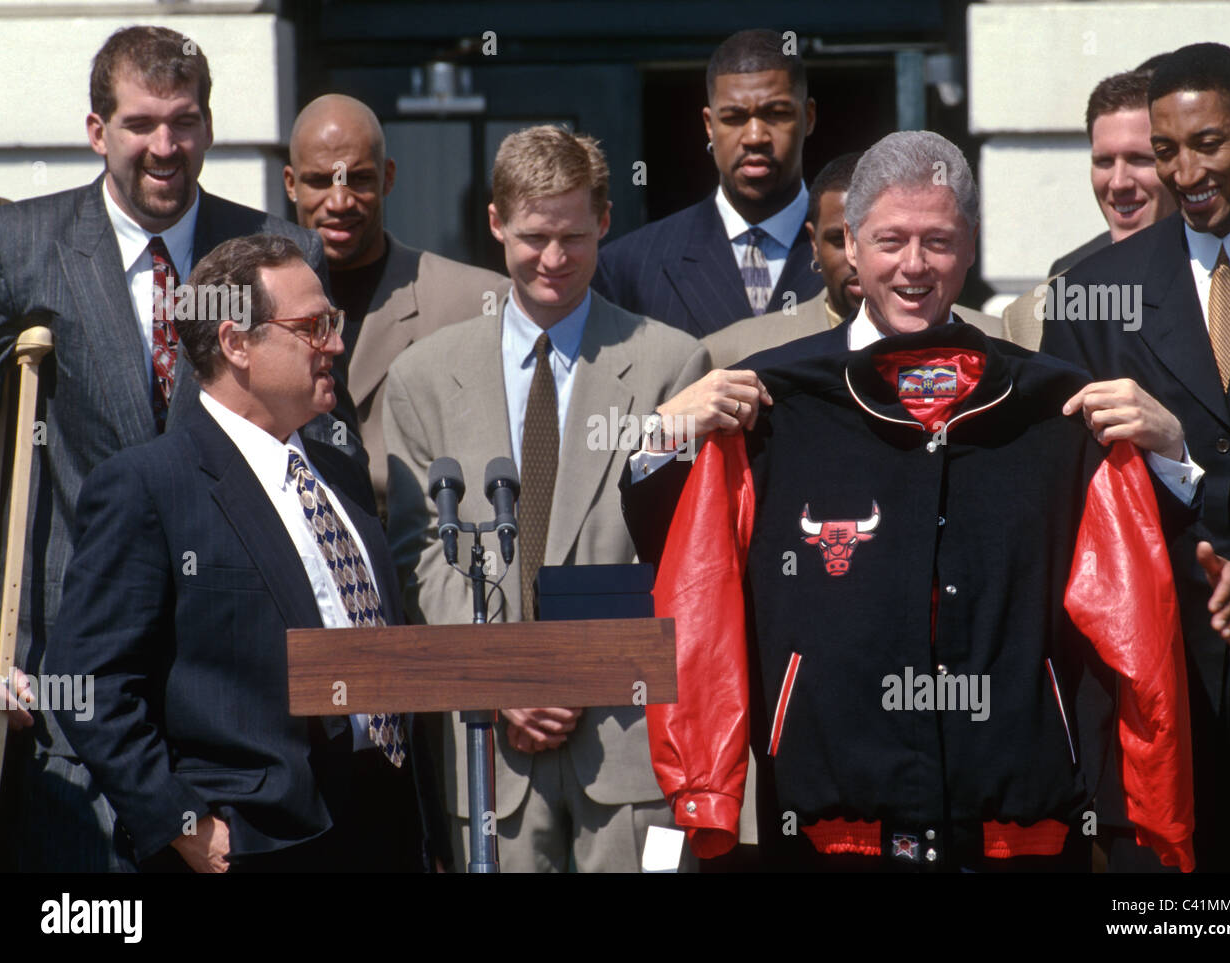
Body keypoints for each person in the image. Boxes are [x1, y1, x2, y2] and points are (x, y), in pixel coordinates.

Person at [646, 130, 1200, 872]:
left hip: (1020, 833)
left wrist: (1174, 457)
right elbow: (693, 598)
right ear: (848, 243)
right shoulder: (764, 405)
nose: (914, 265)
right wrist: (705, 795)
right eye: (891, 240)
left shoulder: (1057, 410)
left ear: (970, 245)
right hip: (823, 831)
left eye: (937, 241)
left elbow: (1144, 617)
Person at [0, 25, 340, 872]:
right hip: (66, 692)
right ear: (96, 130)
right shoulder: (18, 248)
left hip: (230, 700)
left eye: (184, 121)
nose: (165, 145)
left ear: (210, 128)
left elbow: (325, 456)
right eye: (142, 122)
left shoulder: (274, 252)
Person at [47, 234, 443, 872]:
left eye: (334, 324)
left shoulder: (340, 467)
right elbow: (88, 681)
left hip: (383, 826)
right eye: (315, 327)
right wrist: (185, 824)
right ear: (236, 343)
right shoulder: (151, 485)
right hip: (254, 840)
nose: (336, 346)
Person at [384, 124, 708, 872]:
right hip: (490, 751)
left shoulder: (670, 363)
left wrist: (576, 676)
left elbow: (682, 561)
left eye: (573, 236)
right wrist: (502, 679)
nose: (554, 260)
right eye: (533, 237)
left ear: (604, 221)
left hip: (629, 744)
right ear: (495, 223)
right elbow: (420, 554)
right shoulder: (423, 377)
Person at [1041, 43, 1230, 872]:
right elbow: (1067, 509)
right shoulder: (1088, 294)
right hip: (1153, 710)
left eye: (1210, 143)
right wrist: (1180, 469)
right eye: (1166, 150)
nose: (1186, 172)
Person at [284, 93, 510, 513]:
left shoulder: (477, 301)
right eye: (319, 180)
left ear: (388, 177)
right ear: (290, 183)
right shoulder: (250, 308)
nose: (339, 202)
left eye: (359, 178)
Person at [593, 28, 822, 337]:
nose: (755, 137)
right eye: (734, 117)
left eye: (776, 113)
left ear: (808, 118)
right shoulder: (630, 267)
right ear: (709, 125)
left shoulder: (861, 256)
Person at [703, 151, 1003, 368]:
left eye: (936, 240)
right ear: (816, 243)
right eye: (839, 240)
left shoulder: (1001, 343)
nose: (911, 263)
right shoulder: (737, 355)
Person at [1003, 62, 1177, 349]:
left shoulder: (1227, 277)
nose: (1119, 182)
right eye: (1104, 162)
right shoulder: (1059, 287)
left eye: (1139, 159)